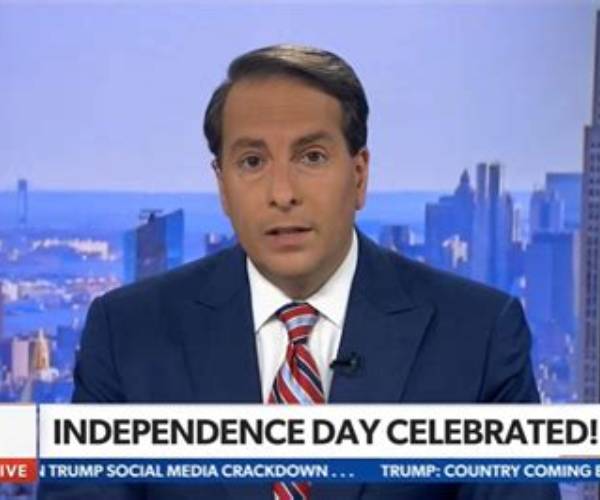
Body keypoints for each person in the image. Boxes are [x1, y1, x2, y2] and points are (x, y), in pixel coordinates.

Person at [39, 45, 560, 499]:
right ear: (222, 186)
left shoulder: (478, 335)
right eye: (252, 162)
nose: (282, 193)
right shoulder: (129, 333)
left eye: (311, 157)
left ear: (359, 175)